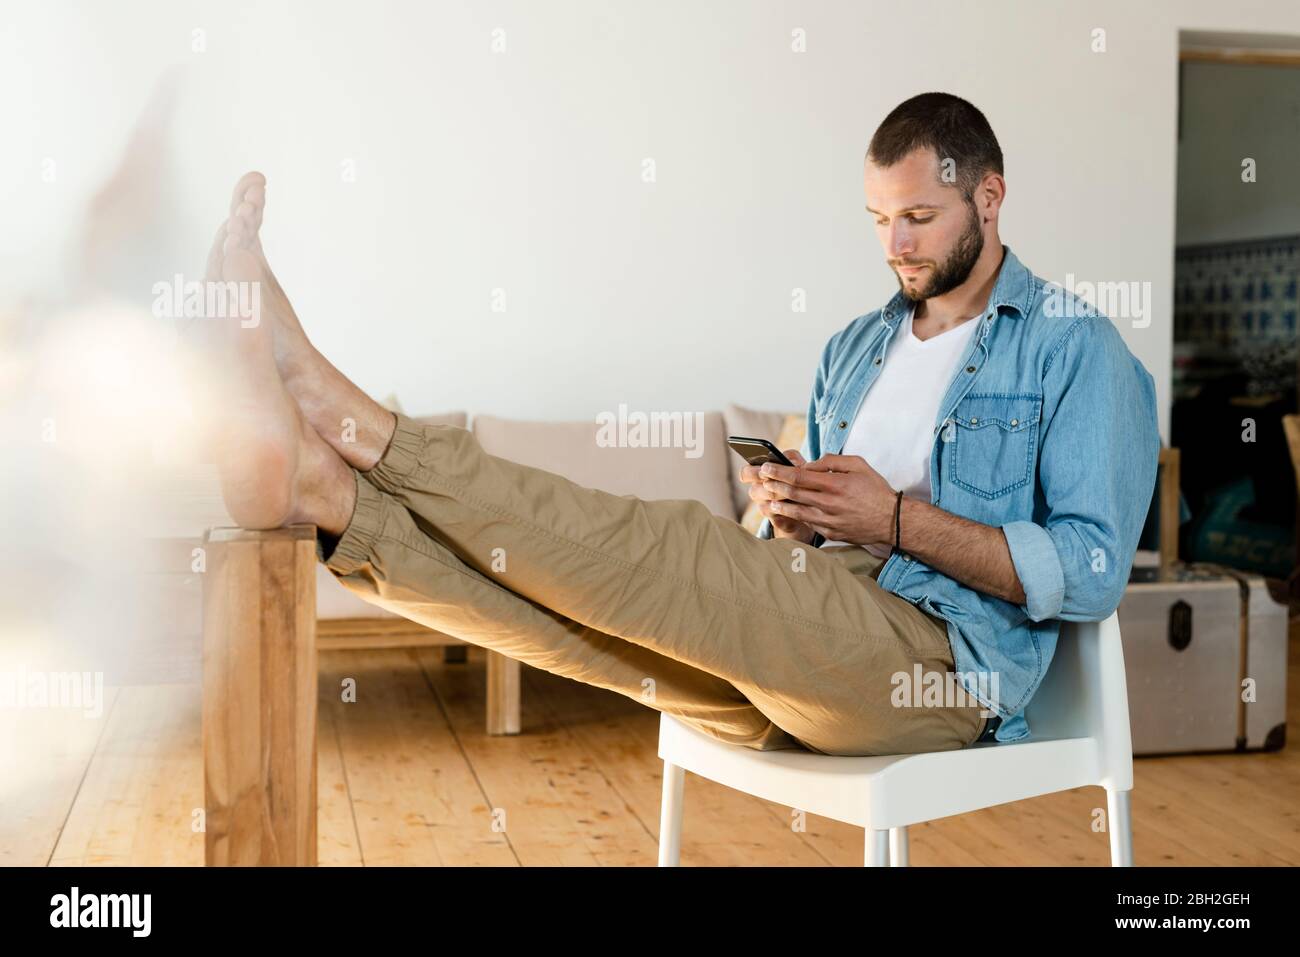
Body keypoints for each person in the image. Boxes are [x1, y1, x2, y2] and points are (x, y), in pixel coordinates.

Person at [196, 92, 1158, 757]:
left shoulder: (1077, 350)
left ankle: (339, 408)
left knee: (671, 550)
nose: (894, 245)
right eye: (876, 220)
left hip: (940, 671)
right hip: (811, 648)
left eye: (918, 216)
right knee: (572, 625)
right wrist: (796, 512)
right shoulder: (855, 347)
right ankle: (322, 494)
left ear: (989, 198)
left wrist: (894, 523)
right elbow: (815, 539)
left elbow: (1091, 573)